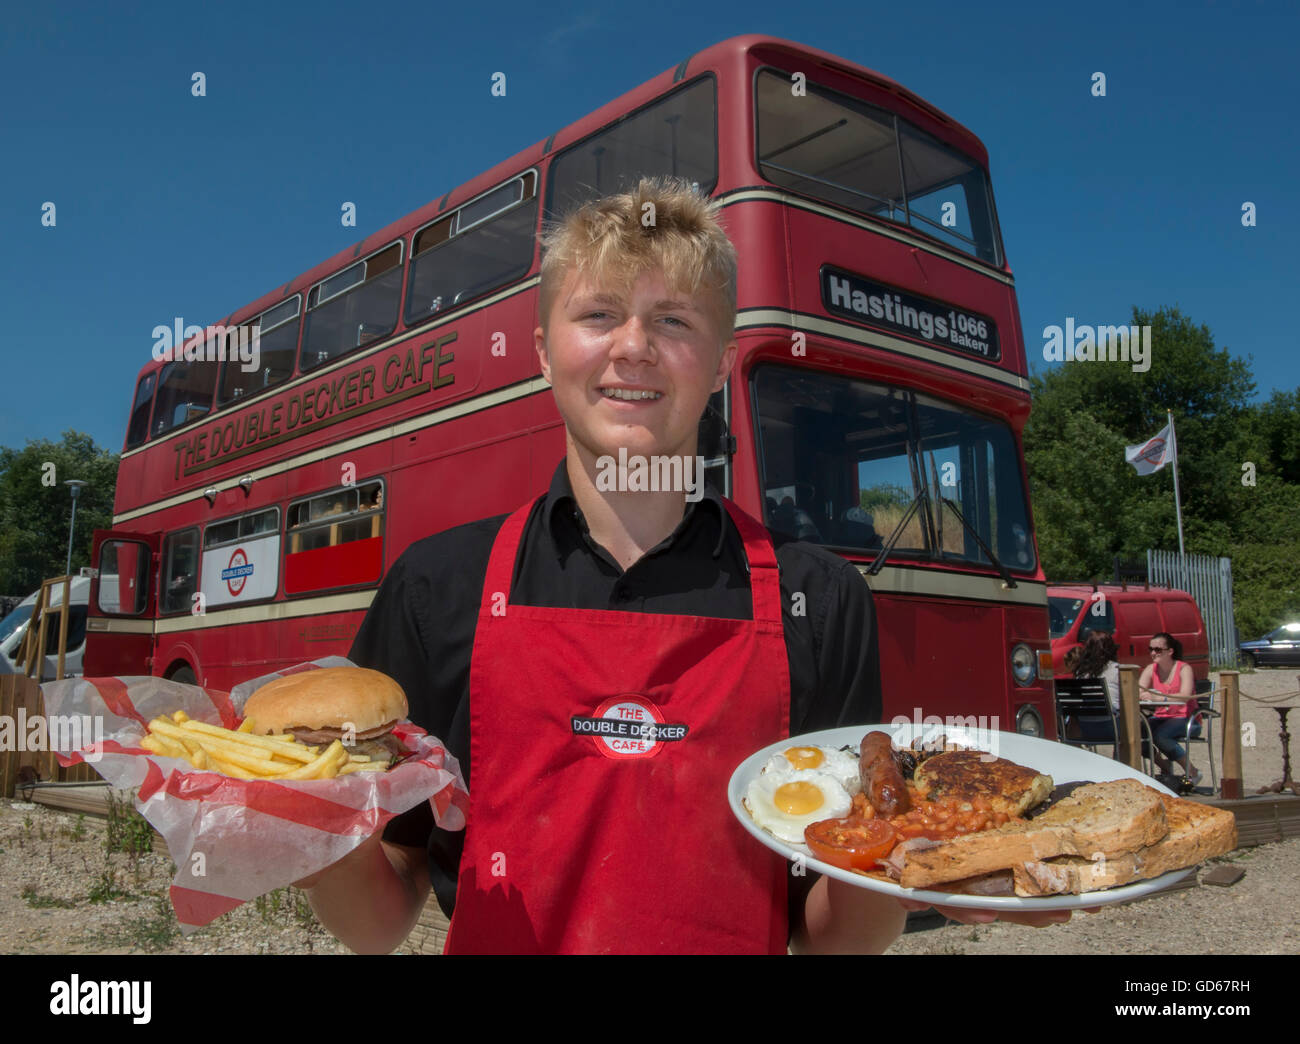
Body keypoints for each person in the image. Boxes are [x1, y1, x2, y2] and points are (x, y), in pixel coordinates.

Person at [296, 177, 1071, 953]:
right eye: (598, 314)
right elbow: (379, 919)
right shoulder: (437, 587)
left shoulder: (822, 600)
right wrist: (300, 819)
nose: (633, 345)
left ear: (722, 359)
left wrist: (913, 867)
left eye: (673, 320)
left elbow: (830, 935)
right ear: (541, 351)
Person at [1138, 631, 1201, 786]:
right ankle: (1165, 766)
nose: (1153, 653)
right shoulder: (1150, 669)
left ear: (1170, 651)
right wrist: (1144, 695)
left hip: (1186, 719)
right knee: (1134, 735)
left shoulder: (1183, 668)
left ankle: (1192, 771)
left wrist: (1158, 698)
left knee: (1161, 736)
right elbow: (1138, 690)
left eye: (1158, 650)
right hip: (1161, 717)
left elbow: (1185, 696)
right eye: (1151, 649)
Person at [1061, 632, 1121, 743]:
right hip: (1111, 728)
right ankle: (1118, 758)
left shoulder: (1080, 673)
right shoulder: (1117, 670)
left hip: (1085, 728)